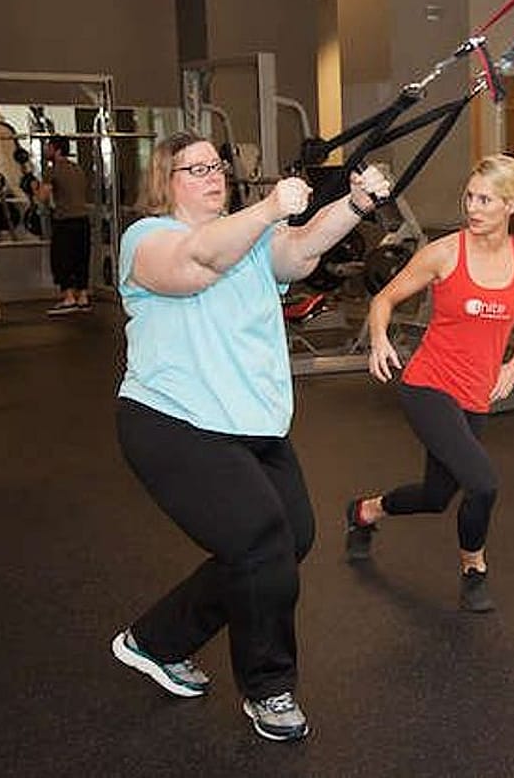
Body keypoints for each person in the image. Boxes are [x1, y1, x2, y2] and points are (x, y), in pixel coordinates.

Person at [110, 130, 390, 742]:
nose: (214, 176)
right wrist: (265, 207)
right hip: (173, 421)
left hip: (250, 421)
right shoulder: (147, 239)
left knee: (290, 539)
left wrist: (355, 203)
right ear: (166, 180)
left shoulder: (252, 233)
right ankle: (269, 689)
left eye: (219, 166)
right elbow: (197, 266)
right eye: (197, 168)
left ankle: (156, 641)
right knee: (262, 544)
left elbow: (299, 253)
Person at [346, 154, 514, 612]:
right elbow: (385, 298)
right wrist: (379, 338)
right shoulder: (444, 253)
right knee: (483, 483)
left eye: (486, 200)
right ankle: (474, 570)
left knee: (437, 497)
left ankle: (365, 511)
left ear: (512, 206)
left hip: (476, 393)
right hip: (427, 384)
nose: (473, 208)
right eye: (470, 198)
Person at [37, 136, 92, 315]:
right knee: (81, 258)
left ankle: (69, 298)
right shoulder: (78, 168)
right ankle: (83, 297)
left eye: (48, 147)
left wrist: (33, 187)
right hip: (83, 220)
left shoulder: (52, 170)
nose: (46, 151)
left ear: (57, 150)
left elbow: (42, 197)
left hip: (65, 221)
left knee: (61, 259)